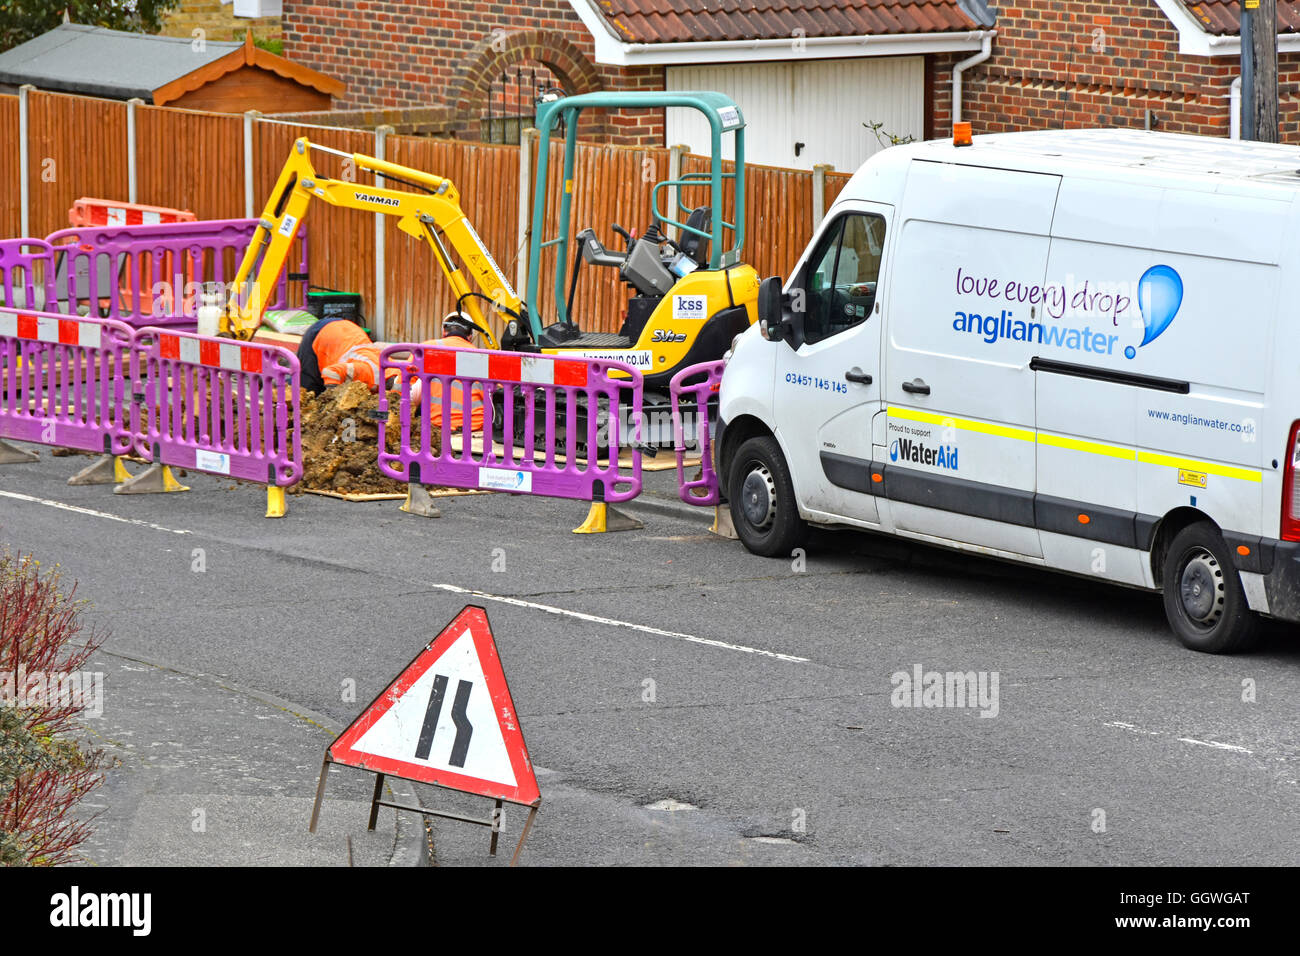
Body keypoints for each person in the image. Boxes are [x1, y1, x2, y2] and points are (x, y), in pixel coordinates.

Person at [405, 313, 485, 433]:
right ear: (470, 336)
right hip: (475, 428)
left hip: (437, 426)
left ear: (444, 331)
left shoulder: (427, 348)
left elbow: (403, 383)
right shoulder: (484, 358)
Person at [296, 316, 397, 395]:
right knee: (308, 390)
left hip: (346, 330)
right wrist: (333, 400)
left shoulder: (398, 372)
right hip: (322, 332)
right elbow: (331, 372)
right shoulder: (367, 372)